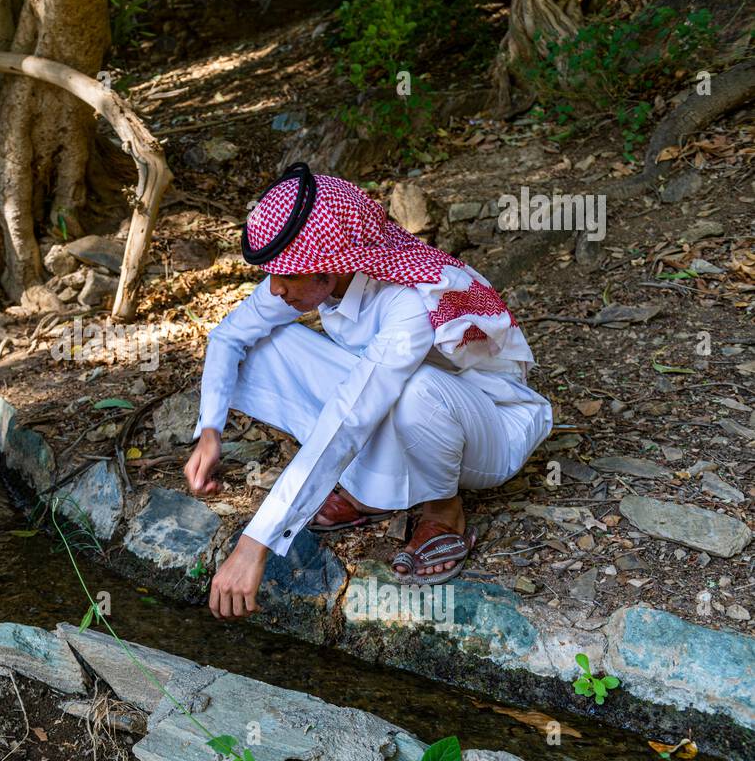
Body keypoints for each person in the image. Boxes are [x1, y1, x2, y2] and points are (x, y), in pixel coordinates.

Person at [185, 164, 552, 620]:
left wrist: (254, 543)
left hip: (489, 428)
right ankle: (370, 492)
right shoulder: (311, 270)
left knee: (416, 391)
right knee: (264, 342)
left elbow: (352, 414)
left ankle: (442, 508)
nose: (274, 288)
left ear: (333, 265)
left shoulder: (410, 300)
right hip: (396, 407)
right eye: (271, 273)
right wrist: (210, 429)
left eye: (286, 275)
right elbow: (228, 337)